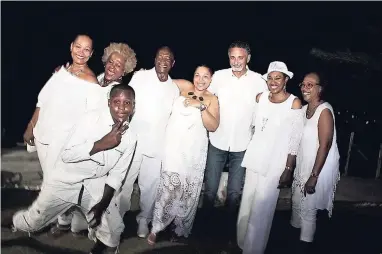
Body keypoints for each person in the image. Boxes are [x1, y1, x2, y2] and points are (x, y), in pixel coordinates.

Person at [13, 84, 137, 254]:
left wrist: (101, 205)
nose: (121, 108)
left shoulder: (131, 137)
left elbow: (117, 175)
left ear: (133, 106)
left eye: (127, 103)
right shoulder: (90, 120)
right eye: (117, 102)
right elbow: (66, 155)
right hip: (66, 181)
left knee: (113, 229)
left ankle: (99, 246)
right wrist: (102, 144)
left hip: (95, 185)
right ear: (108, 103)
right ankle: (11, 222)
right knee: (31, 223)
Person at [48, 41, 138, 237]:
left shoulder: (119, 92)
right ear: (105, 61)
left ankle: (90, 222)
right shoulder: (95, 79)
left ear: (124, 72)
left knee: (81, 191)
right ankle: (63, 219)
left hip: (97, 149)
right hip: (76, 139)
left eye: (118, 65)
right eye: (110, 62)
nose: (112, 67)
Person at [202, 41, 267, 243]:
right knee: (210, 189)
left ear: (248, 58)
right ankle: (205, 230)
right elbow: (206, 96)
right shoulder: (219, 77)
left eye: (240, 57)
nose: (236, 61)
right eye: (232, 57)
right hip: (218, 140)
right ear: (228, 57)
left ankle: (229, 232)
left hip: (243, 144)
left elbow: (265, 109)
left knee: (234, 192)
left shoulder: (259, 81)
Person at [147, 65, 220, 245]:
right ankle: (157, 227)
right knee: (168, 188)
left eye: (205, 77)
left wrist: (201, 106)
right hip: (172, 147)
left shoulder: (212, 99)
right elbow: (159, 79)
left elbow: (213, 126)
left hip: (193, 150)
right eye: (197, 75)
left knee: (188, 191)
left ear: (211, 80)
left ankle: (179, 228)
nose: (200, 80)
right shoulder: (185, 87)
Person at [237, 61, 304, 254]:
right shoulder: (260, 98)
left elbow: (294, 139)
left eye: (278, 78)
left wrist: (288, 169)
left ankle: (253, 250)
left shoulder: (294, 102)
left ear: (285, 81)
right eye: (270, 78)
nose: (273, 82)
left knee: (262, 209)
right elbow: (252, 126)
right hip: (255, 157)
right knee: (247, 204)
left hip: (275, 163)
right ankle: (242, 243)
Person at [116, 46, 180, 238]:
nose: (163, 61)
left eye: (167, 58)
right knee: (124, 183)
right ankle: (116, 220)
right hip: (133, 141)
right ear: (154, 59)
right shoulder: (140, 77)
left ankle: (144, 219)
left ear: (173, 63)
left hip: (157, 145)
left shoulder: (174, 89)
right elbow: (126, 103)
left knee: (150, 186)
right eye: (160, 57)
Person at [290, 72, 340, 251]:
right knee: (296, 205)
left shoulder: (324, 110)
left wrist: (314, 176)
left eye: (310, 85)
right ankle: (294, 241)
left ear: (320, 88)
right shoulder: (303, 110)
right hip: (302, 167)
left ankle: (305, 246)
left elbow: (325, 144)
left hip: (316, 169)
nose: (304, 88)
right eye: (303, 84)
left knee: (308, 211)